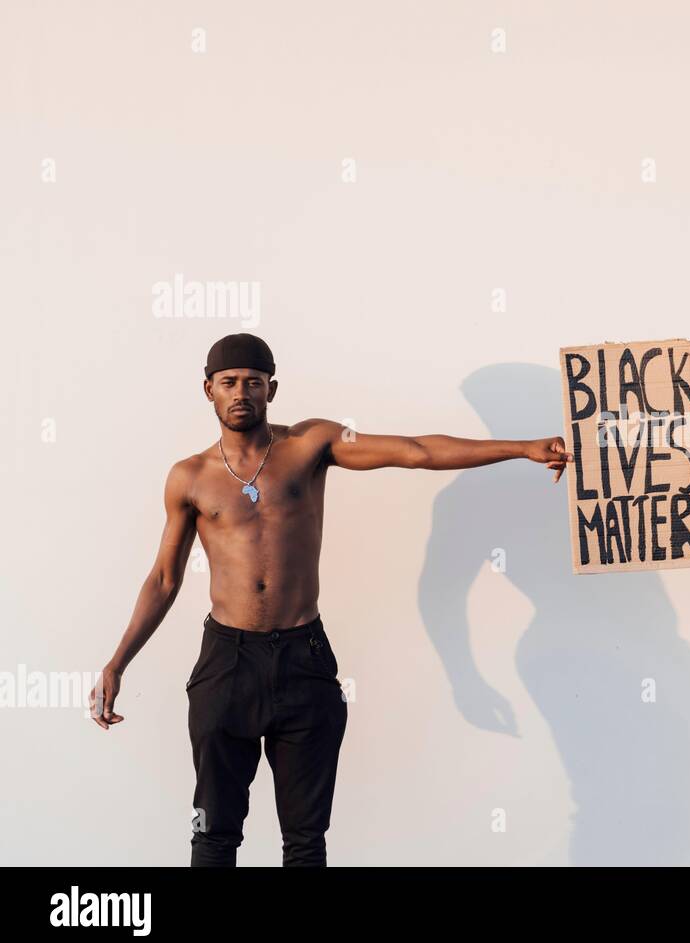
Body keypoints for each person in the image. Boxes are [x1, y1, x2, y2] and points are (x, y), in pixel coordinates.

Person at [88, 333, 569, 866]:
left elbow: (415, 450)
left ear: (272, 387)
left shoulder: (309, 445)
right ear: (209, 391)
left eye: (253, 381)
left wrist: (521, 447)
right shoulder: (190, 476)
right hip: (227, 663)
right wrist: (117, 662)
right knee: (215, 833)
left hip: (304, 657)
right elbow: (163, 578)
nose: (241, 391)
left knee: (306, 840)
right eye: (229, 383)